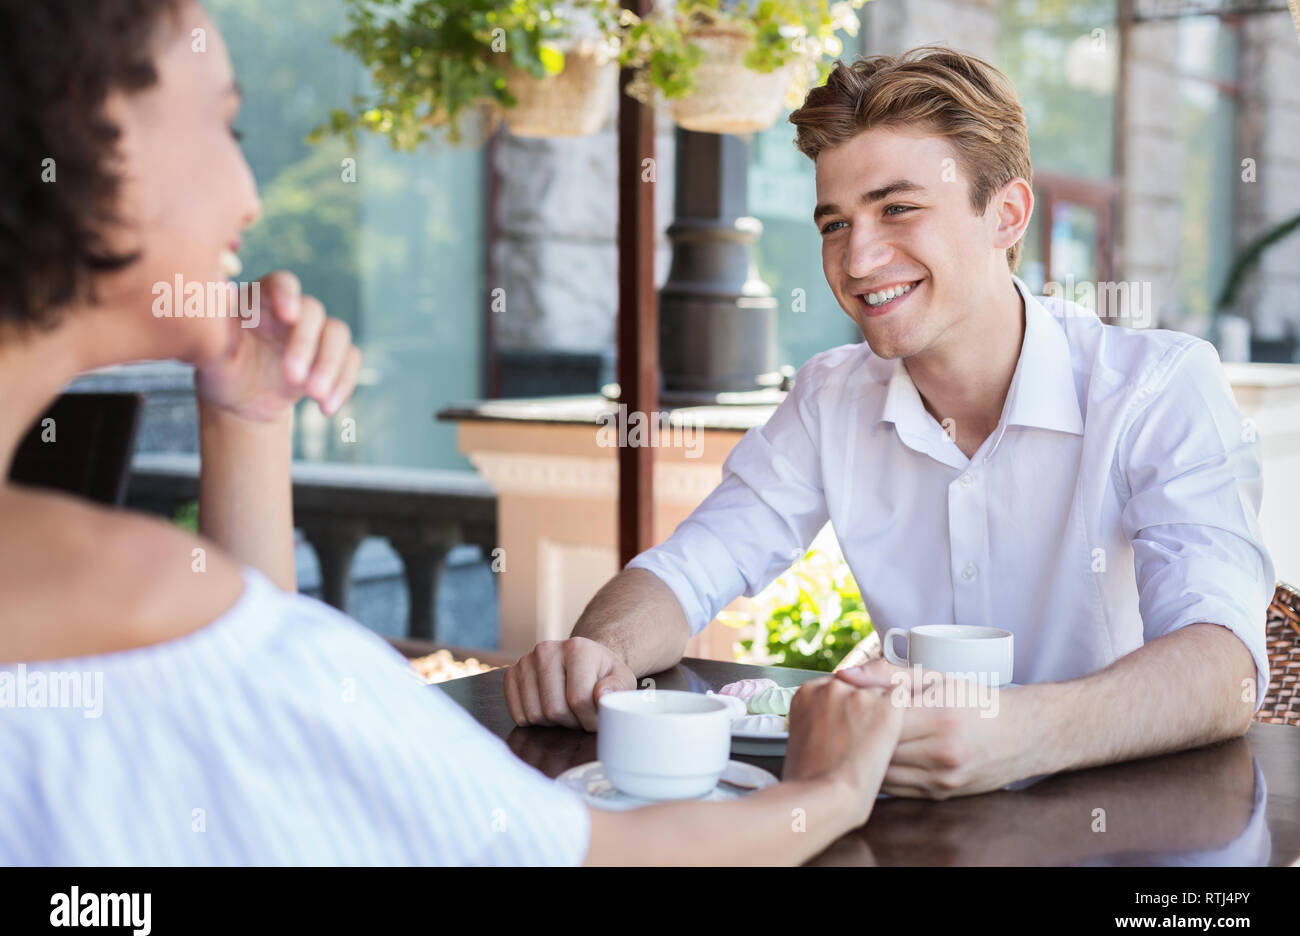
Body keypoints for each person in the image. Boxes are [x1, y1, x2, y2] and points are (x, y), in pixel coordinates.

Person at [0, 0, 902, 866]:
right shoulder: (138, 601)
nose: (249, 193)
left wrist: (247, 416)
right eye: (225, 127)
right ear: (82, 132)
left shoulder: (151, 615)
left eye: (899, 210)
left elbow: (249, 716)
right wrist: (833, 789)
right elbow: (593, 855)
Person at [507, 47, 1275, 800]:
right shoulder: (832, 397)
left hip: (1138, 836)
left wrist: (1007, 736)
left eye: (897, 208)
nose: (859, 257)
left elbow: (1223, 666)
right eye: (834, 224)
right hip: (914, 825)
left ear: (1005, 214)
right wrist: (597, 653)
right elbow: (689, 571)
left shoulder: (1158, 388)